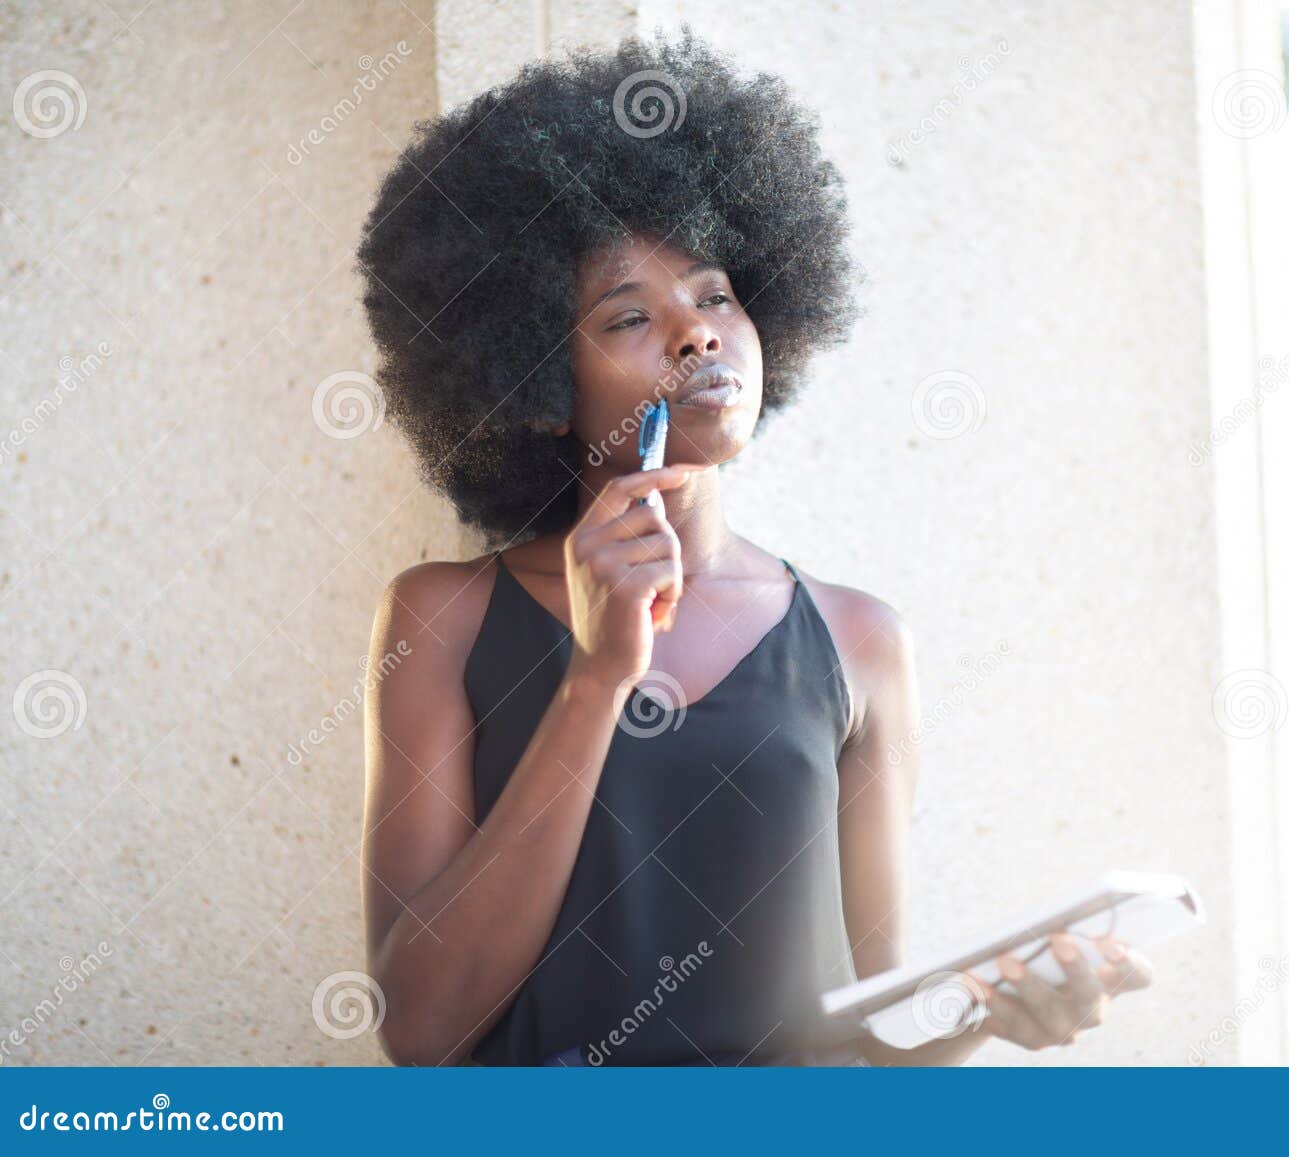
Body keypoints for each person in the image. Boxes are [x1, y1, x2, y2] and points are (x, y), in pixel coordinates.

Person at [355, 26, 1152, 1067]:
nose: (696, 333)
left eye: (716, 294)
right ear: (541, 389)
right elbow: (420, 1025)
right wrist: (596, 679)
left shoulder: (860, 639)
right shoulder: (442, 616)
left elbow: (874, 1030)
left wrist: (989, 1010)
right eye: (628, 316)